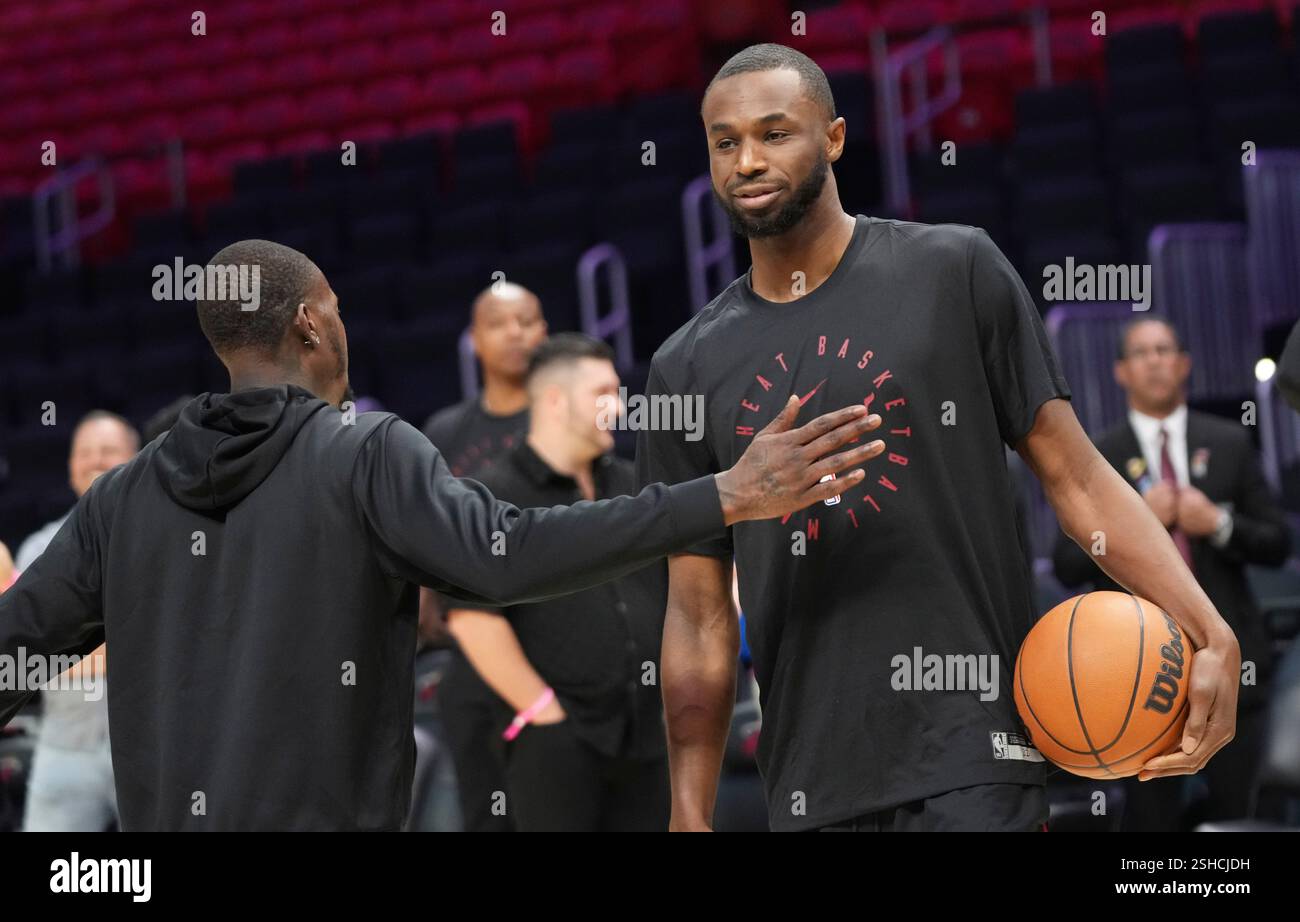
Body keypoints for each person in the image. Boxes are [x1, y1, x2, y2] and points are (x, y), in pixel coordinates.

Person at [0, 238, 884, 831]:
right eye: (334, 308)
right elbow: (514, 554)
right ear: (311, 321)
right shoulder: (365, 453)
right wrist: (722, 495)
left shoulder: (121, 498)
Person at [635, 44, 1242, 832]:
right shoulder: (685, 364)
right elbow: (698, 613)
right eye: (725, 141)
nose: (747, 160)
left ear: (836, 137)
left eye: (775, 133)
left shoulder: (955, 269)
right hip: (811, 776)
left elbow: (1078, 480)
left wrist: (1210, 630)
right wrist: (688, 808)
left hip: (977, 751)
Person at [1053, 316, 1290, 829]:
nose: (1156, 360)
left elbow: (1279, 544)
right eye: (1142, 352)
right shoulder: (1098, 457)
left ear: (1184, 364)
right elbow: (1066, 564)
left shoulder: (1229, 441)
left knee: (1240, 819)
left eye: (1165, 350)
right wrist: (1134, 520)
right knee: (1149, 823)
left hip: (1232, 666)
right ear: (1120, 372)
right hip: (1132, 676)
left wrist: (1220, 523)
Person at [447, 334, 673, 831]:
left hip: (647, 733)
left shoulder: (634, 483)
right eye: (603, 394)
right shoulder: (491, 493)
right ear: (553, 400)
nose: (618, 408)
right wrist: (544, 712)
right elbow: (471, 619)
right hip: (555, 742)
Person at [420, 281, 547, 832]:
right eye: (499, 323)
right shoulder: (446, 432)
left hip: (556, 637)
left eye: (528, 320)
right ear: (474, 340)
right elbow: (422, 536)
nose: (516, 333)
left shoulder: (567, 416)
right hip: (472, 647)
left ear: (545, 331)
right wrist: (430, 616)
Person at [15, 410, 138, 831]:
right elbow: (28, 658)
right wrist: (130, 646)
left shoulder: (164, 537)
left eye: (107, 451)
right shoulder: (38, 548)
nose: (94, 461)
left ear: (137, 459)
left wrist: (72, 651)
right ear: (69, 468)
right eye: (84, 453)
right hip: (63, 749)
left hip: (152, 751)